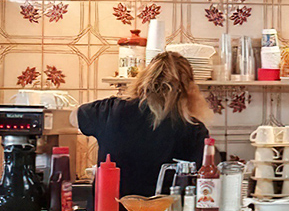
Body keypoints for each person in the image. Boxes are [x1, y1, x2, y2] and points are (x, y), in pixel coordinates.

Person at [71, 51, 212, 200]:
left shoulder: (110, 110)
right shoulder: (194, 130)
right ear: (189, 90)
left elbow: (73, 118)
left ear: (143, 80)